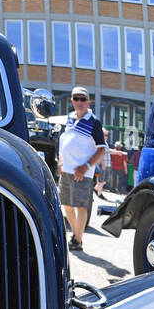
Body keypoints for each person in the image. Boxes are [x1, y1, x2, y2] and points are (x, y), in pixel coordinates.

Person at [57, 86, 107, 252]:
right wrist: (61, 159)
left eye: (82, 99)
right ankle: (76, 235)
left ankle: (77, 240)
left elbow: (101, 149)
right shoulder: (70, 118)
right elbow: (64, 140)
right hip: (66, 170)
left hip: (82, 173)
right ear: (72, 101)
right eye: (76, 98)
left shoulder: (94, 122)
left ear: (88, 102)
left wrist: (85, 167)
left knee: (80, 206)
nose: (79, 102)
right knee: (66, 205)